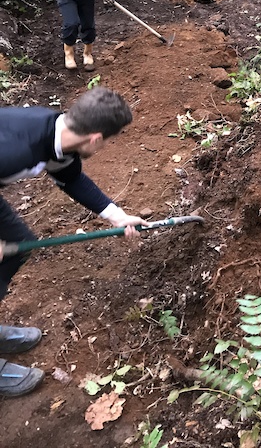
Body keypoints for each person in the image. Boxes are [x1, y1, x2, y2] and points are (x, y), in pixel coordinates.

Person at [0, 86, 149, 397]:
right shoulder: (16, 151)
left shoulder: (57, 137)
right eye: (109, 140)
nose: (107, 146)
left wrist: (117, 216)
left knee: (17, 246)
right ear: (95, 138)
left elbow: (71, 178)